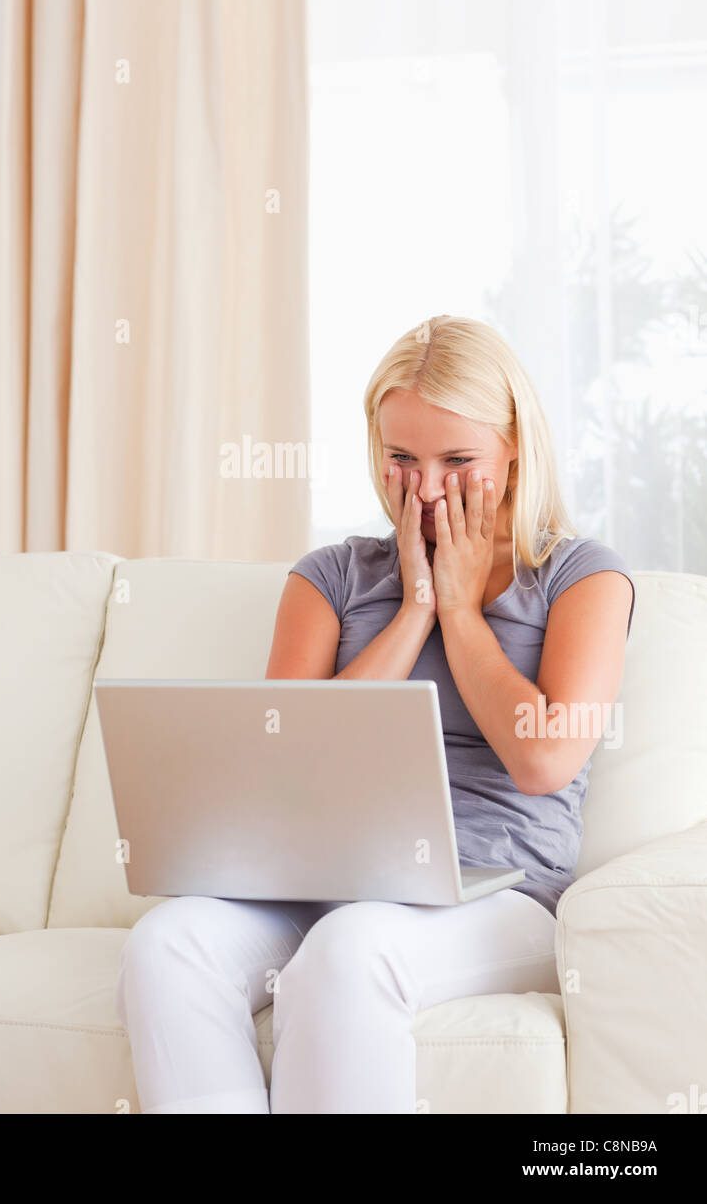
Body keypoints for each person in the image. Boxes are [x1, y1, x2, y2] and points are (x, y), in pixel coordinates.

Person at [114, 314, 636, 1113]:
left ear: (513, 448)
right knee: (165, 944)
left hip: (496, 896)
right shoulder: (332, 576)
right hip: (322, 881)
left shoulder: (581, 577)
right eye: (402, 459)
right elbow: (280, 758)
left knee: (349, 950)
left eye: (457, 462)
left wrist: (460, 611)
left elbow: (544, 759)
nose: (426, 490)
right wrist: (414, 609)